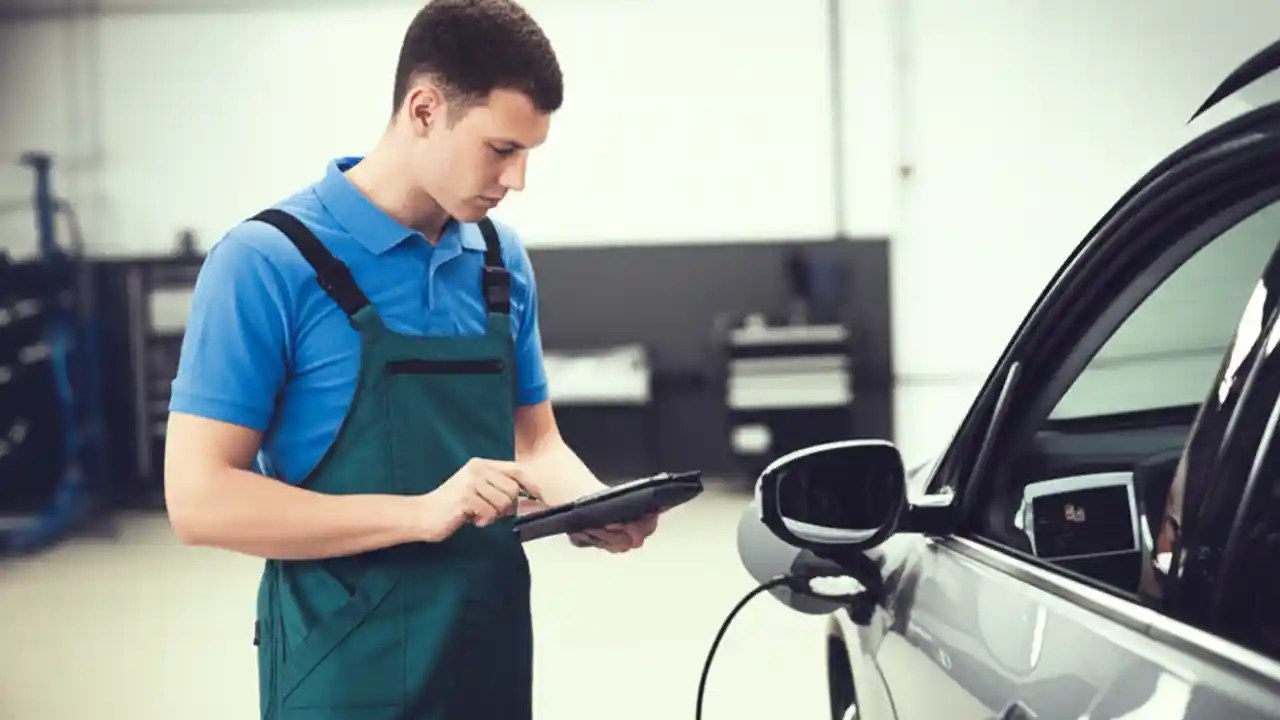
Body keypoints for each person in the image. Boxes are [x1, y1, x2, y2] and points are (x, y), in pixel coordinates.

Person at [161, 1, 660, 717]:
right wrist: (419, 514)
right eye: (500, 149)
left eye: (528, 153)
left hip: (486, 656)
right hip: (342, 667)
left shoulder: (499, 261)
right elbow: (200, 498)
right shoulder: (264, 262)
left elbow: (535, 439)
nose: (517, 180)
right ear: (424, 109)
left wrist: (587, 504)